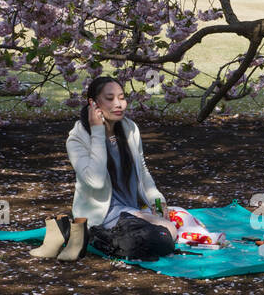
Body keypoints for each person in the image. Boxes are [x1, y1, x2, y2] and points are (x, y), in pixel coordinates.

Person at [30, 75, 177, 260]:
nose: (119, 104)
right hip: (104, 214)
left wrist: (157, 200)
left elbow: (143, 170)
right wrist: (97, 131)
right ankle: (90, 236)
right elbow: (96, 181)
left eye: (122, 97)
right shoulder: (77, 138)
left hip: (130, 209)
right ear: (93, 103)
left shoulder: (130, 128)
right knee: (167, 232)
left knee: (178, 222)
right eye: (110, 99)